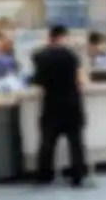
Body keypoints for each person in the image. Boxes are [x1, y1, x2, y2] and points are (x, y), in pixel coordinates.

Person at [31, 25, 88, 186]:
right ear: (64, 37)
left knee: (47, 141)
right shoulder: (72, 55)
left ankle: (44, 175)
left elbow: (38, 82)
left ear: (50, 37)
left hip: (51, 103)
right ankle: (77, 175)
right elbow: (80, 80)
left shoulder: (40, 56)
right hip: (71, 103)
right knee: (75, 142)